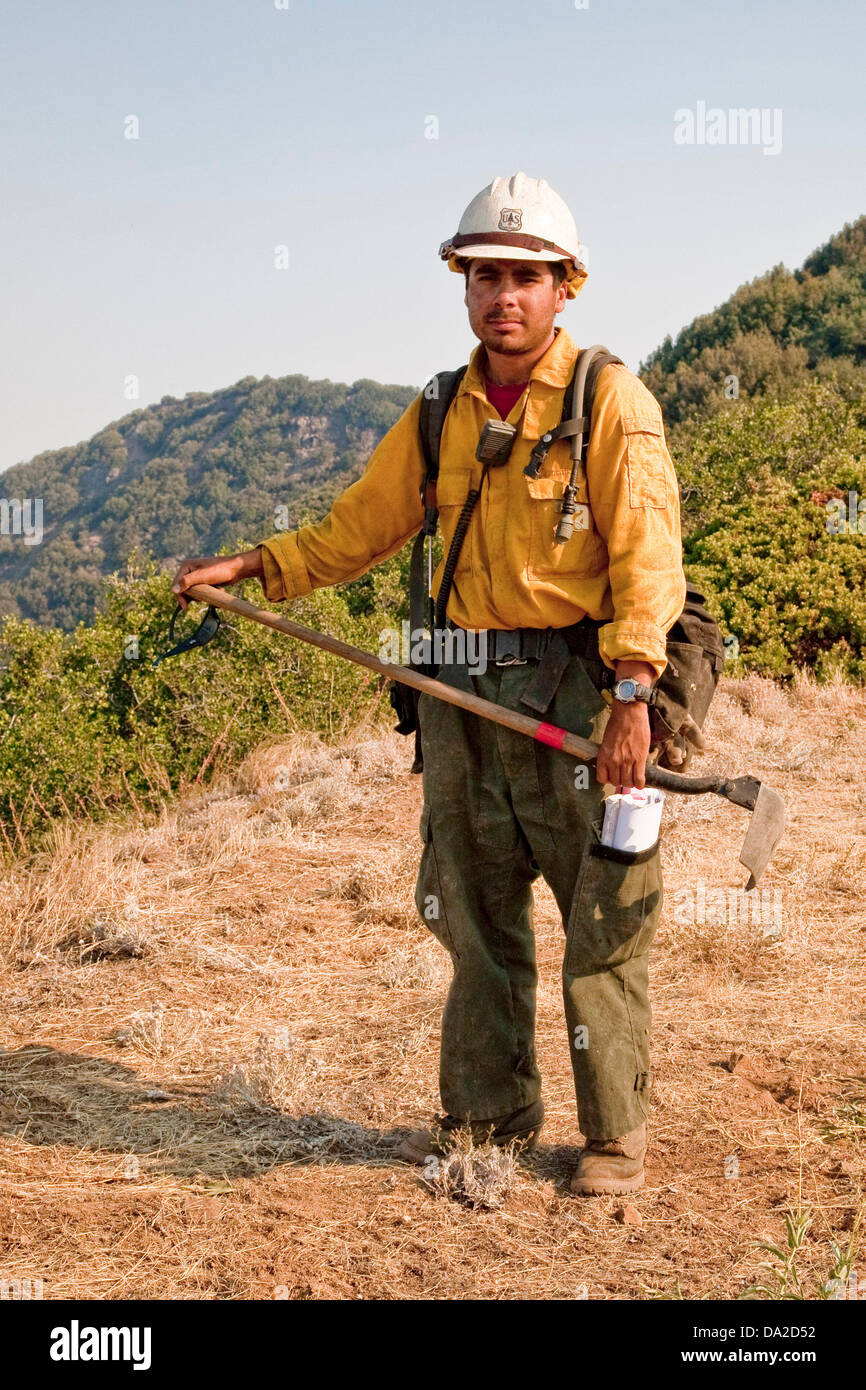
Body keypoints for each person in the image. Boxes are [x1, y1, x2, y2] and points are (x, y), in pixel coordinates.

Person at [173, 173, 687, 1196]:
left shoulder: (605, 401)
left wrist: (632, 696)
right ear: (462, 287)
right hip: (458, 702)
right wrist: (258, 567)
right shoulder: (437, 411)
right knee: (474, 916)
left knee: (602, 919)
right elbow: (356, 528)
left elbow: (647, 556)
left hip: (577, 696)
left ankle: (611, 1138)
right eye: (486, 274)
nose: (505, 294)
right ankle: (487, 1117)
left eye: (526, 276)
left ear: (563, 286)